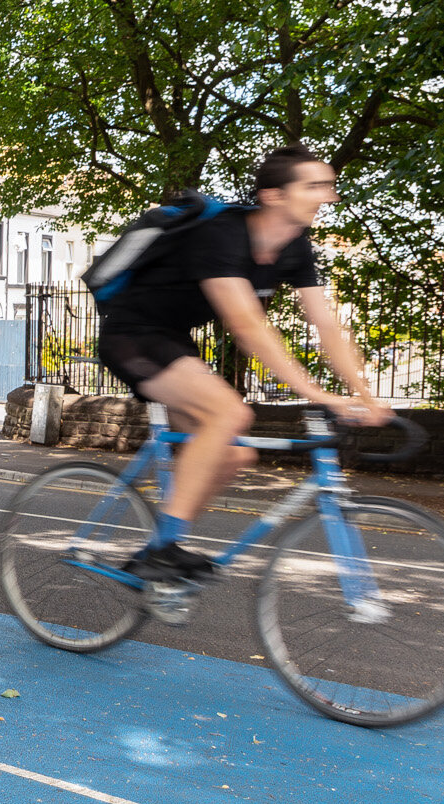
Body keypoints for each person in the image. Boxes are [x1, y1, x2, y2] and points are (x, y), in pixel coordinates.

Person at [96, 146, 390, 605]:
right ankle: (165, 551)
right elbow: (248, 326)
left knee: (235, 456)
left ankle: (160, 548)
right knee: (230, 414)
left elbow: (327, 325)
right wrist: (319, 394)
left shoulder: (295, 246)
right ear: (273, 195)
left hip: (173, 342)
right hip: (130, 336)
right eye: (314, 186)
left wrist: (364, 393)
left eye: (329, 186)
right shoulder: (222, 235)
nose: (328, 196)